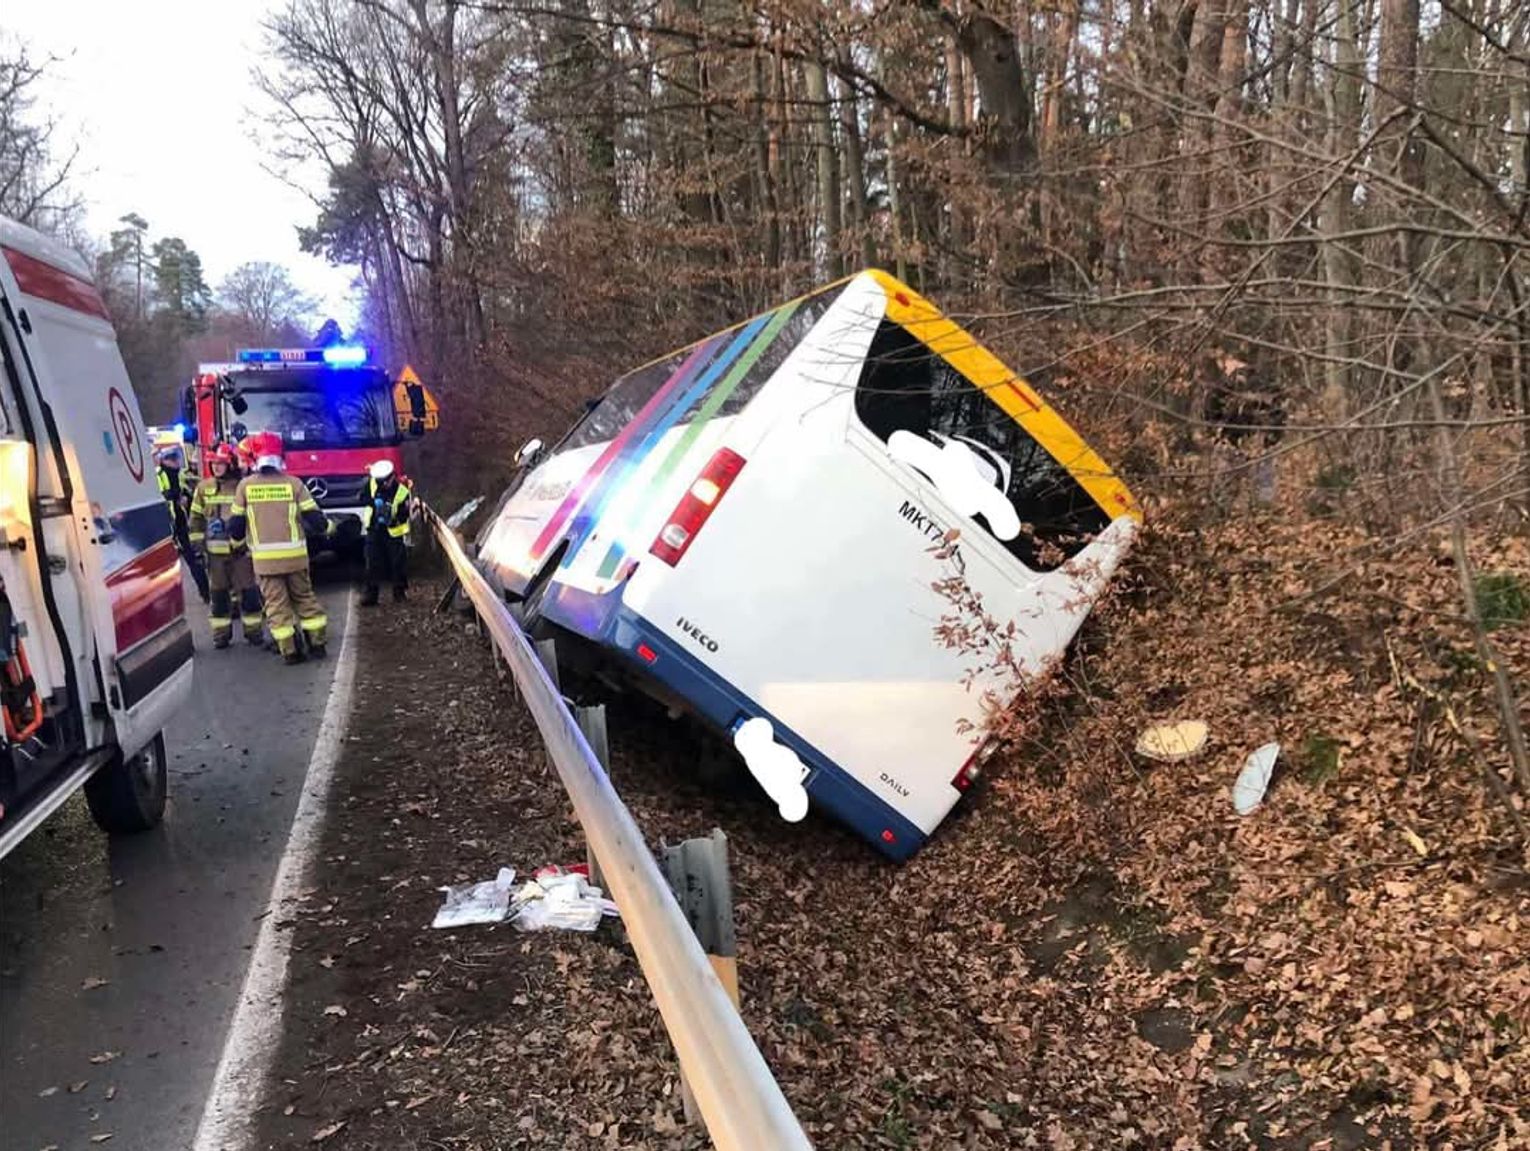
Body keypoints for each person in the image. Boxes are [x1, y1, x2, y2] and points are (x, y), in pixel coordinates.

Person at [228, 432, 331, 665]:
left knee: (276, 607)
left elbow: (236, 526)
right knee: (305, 599)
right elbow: (316, 520)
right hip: (296, 558)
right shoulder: (294, 484)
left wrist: (237, 545)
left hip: (265, 562)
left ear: (255, 457)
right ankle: (317, 645)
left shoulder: (245, 487)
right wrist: (331, 528)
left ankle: (290, 652)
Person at [188, 442, 264, 648]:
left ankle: (254, 632)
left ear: (230, 464)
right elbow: (196, 518)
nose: (216, 467)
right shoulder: (203, 488)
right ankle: (221, 635)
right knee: (219, 597)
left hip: (241, 552)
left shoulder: (242, 486)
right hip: (215, 555)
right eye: (213, 464)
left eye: (220, 463)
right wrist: (197, 545)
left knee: (249, 594)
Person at [156, 443, 210, 603]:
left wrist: (186, 495)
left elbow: (188, 491)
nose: (176, 462)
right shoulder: (159, 475)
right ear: (165, 460)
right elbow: (161, 497)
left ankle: (206, 593)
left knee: (196, 560)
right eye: (173, 459)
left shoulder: (179, 474)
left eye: (176, 458)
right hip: (170, 528)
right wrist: (176, 497)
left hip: (184, 524)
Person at [360, 459, 413, 605]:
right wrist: (374, 503)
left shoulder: (402, 491)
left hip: (394, 532)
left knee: (398, 563)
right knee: (372, 562)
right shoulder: (372, 484)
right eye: (380, 482)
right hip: (374, 529)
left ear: (392, 477)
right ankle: (371, 595)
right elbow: (362, 498)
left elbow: (404, 514)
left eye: (385, 482)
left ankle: (399, 593)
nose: (383, 485)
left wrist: (393, 516)